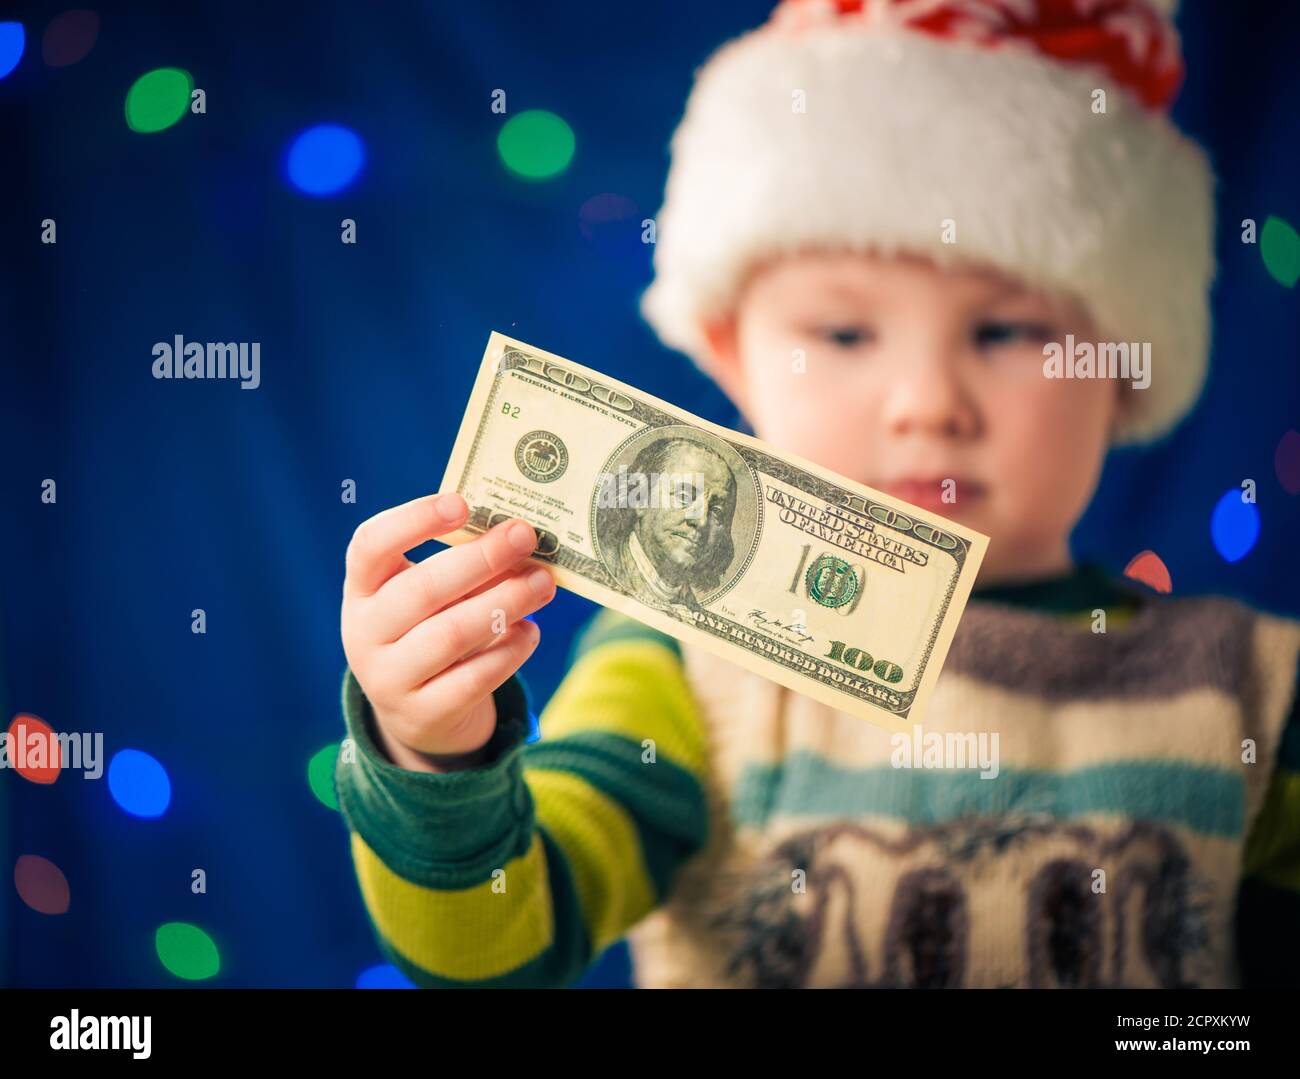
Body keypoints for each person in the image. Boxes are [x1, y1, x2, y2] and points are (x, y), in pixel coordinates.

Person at [335, 0, 1300, 987]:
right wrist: (435, 766)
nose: (927, 404)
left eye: (1008, 332)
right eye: (842, 335)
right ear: (731, 359)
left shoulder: (1254, 689)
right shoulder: (676, 670)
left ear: (1125, 370)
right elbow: (501, 949)